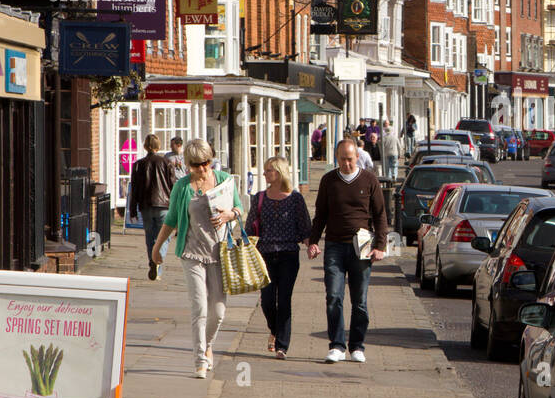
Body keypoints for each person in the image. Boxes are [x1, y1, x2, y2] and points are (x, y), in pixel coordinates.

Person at [151, 139, 244, 378]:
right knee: (199, 307)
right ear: (188, 164)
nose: (202, 169)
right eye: (196, 165)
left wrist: (228, 215)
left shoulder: (224, 180)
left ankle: (208, 344)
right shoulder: (182, 187)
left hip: (219, 253)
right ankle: (200, 360)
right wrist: (157, 247)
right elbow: (170, 219)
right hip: (192, 253)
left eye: (206, 163)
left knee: (219, 311)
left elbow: (239, 208)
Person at [306, 139, 389, 363]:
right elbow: (320, 214)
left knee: (359, 300)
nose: (346, 163)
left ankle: (357, 346)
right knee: (334, 296)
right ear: (336, 158)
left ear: (357, 158)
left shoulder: (370, 180)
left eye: (350, 159)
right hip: (334, 244)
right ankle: (337, 345)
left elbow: (380, 214)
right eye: (342, 159)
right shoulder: (328, 181)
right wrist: (313, 241)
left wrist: (380, 246)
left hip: (361, 245)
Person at [247, 156, 312, 360]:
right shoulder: (259, 198)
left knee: (284, 300)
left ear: (279, 173)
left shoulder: (295, 198)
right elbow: (249, 227)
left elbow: (305, 227)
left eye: (268, 170)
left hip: (288, 256)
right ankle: (274, 330)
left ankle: (282, 345)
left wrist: (311, 245)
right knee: (267, 301)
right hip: (264, 255)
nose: (264, 173)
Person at [127, 133, 175, 280]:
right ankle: (157, 262)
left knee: (150, 237)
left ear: (145, 146)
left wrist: (133, 209)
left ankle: (152, 262)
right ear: (158, 146)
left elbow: (134, 189)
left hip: (146, 206)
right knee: (164, 237)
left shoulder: (138, 165)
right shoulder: (167, 163)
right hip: (164, 206)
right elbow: (173, 186)